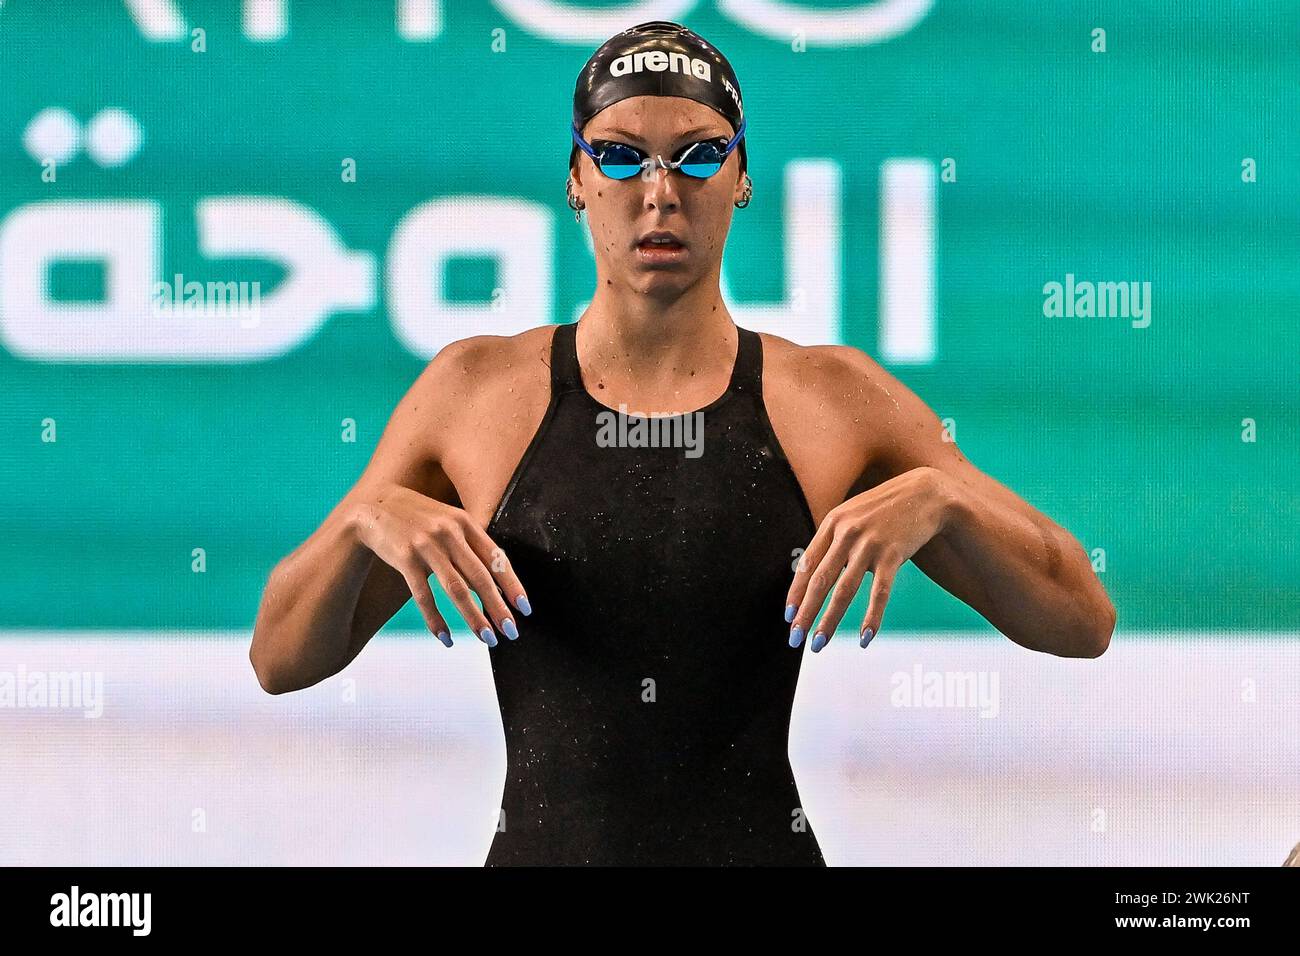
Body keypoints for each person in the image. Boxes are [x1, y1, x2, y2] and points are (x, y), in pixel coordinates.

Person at [249, 20, 1116, 866]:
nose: (660, 191)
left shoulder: (829, 399)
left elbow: (1082, 620)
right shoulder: (476, 393)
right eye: (621, 155)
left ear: (742, 177)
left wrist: (945, 497)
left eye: (698, 153)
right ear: (575, 181)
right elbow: (280, 660)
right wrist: (366, 520)